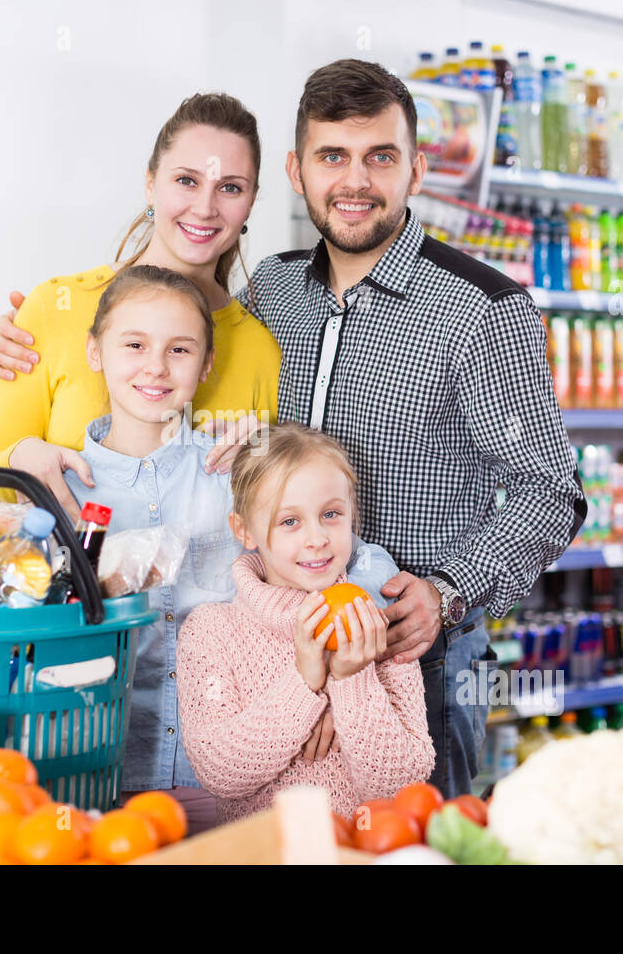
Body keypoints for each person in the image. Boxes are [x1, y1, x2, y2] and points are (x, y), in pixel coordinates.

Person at [0, 60, 587, 798]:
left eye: (381, 157)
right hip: (274, 667)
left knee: (409, 844)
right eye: (334, 157)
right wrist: (17, 341)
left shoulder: (482, 310)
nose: (355, 181)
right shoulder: (272, 292)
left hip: (409, 658)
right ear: (301, 173)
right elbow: (159, 334)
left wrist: (447, 590)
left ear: (418, 169)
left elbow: (552, 491)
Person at [58, 264, 400, 833]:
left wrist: (338, 672)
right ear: (96, 352)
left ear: (206, 364)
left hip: (235, 772)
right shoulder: (63, 490)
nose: (156, 367)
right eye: (134, 344)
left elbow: (354, 559)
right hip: (99, 771)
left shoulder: (234, 471)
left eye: (180, 350)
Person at [0, 92, 280, 516]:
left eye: (230, 188)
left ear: (250, 201)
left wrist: (268, 460)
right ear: (151, 184)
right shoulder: (53, 308)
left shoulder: (260, 349)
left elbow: (268, 521)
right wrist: (17, 458)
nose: (205, 208)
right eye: (187, 180)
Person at [176, 423, 435, 824]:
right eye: (290, 522)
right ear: (243, 530)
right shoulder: (210, 631)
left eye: (330, 514)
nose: (317, 538)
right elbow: (220, 772)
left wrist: (352, 679)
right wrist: (303, 683)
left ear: (352, 516)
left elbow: (401, 789)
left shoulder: (375, 625)